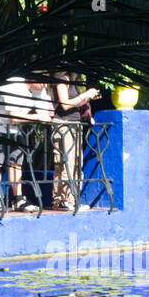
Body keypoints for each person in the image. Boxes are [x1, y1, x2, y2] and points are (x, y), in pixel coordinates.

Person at [0, 77, 54, 213]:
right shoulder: (13, 86)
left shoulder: (39, 90)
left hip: (14, 129)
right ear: (31, 79)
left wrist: (45, 113)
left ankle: (18, 199)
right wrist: (37, 117)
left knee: (16, 162)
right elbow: (13, 116)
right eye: (42, 80)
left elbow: (44, 112)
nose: (45, 84)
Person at [51, 71, 100, 211]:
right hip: (64, 125)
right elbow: (65, 104)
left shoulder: (74, 83)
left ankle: (70, 199)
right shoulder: (62, 80)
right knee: (67, 163)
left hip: (74, 125)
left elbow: (75, 103)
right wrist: (84, 95)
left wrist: (87, 98)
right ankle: (65, 200)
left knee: (76, 163)